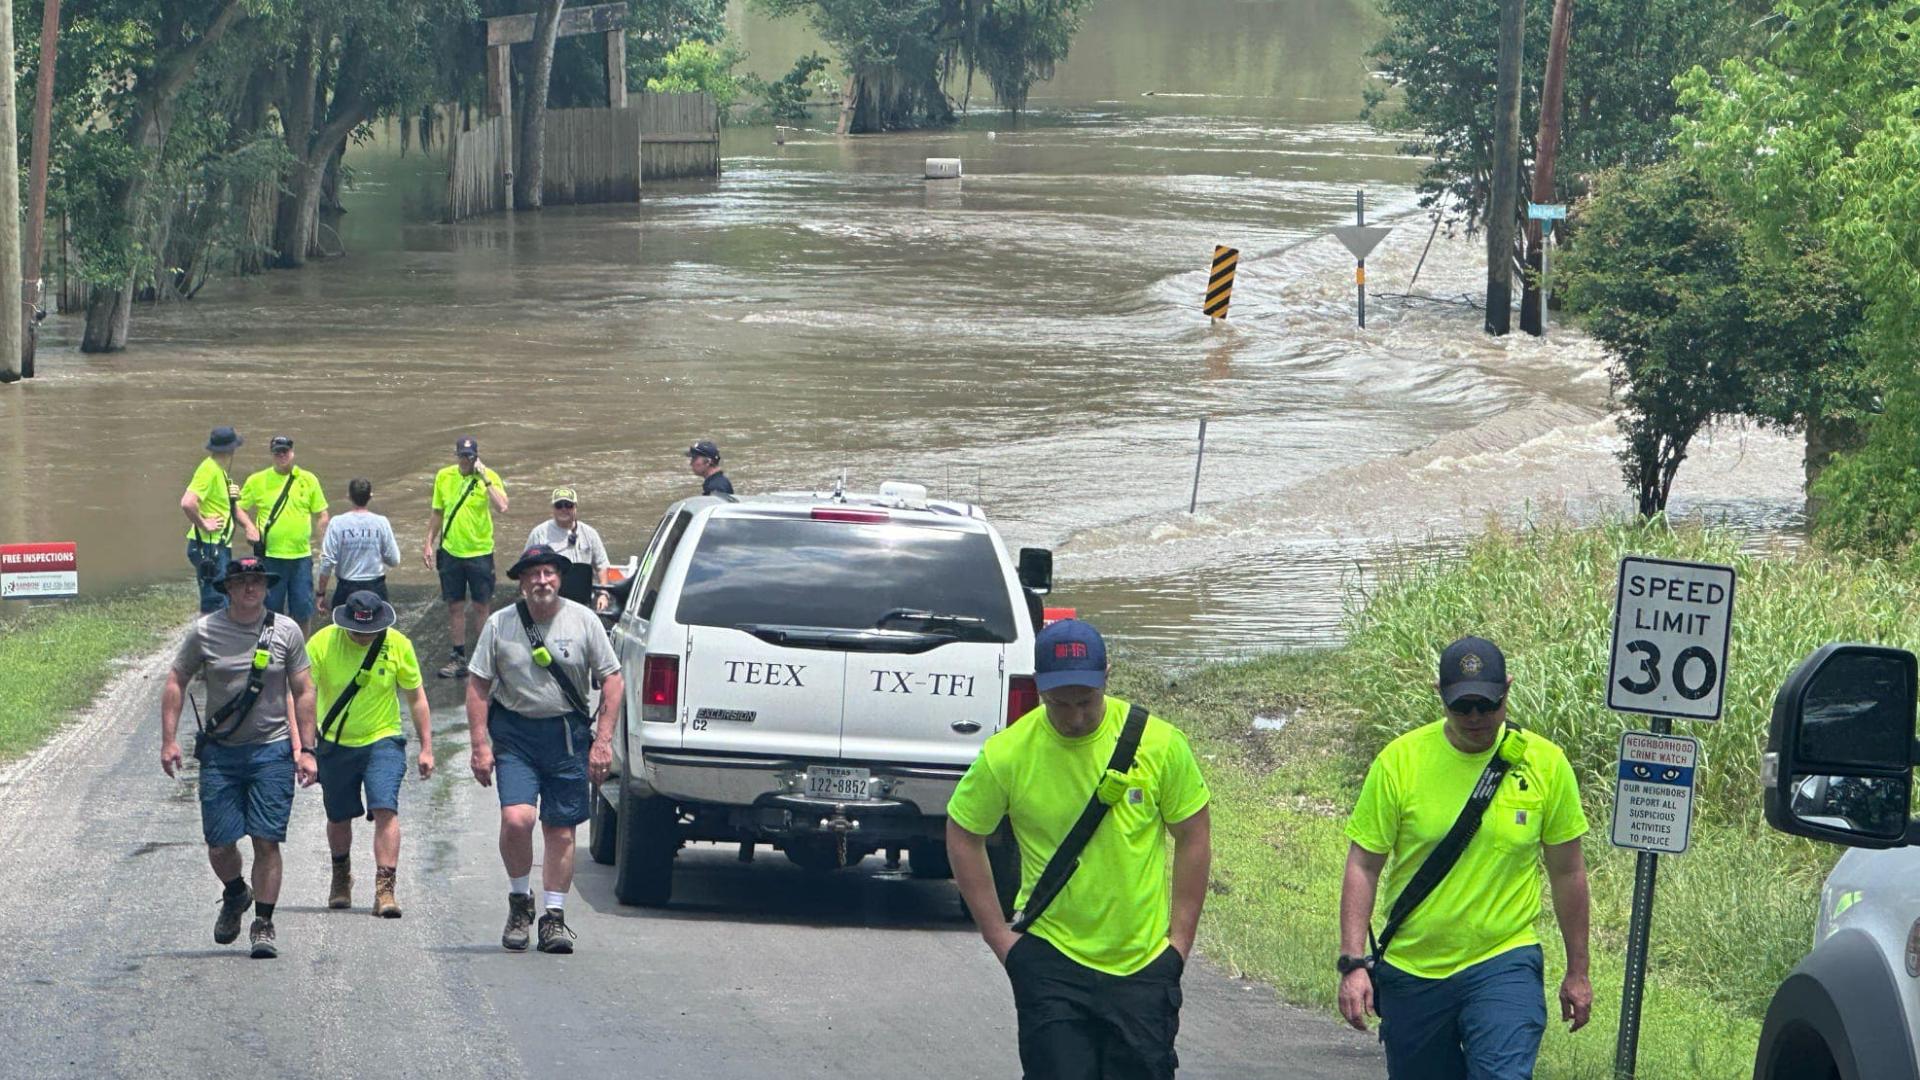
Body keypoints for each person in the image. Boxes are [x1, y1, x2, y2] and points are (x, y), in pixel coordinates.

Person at [948, 619, 1212, 1080]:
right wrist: (999, 937)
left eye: (1085, 702)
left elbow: (1193, 835)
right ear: (1039, 689)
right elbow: (963, 832)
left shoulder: (1161, 744)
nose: (1074, 717)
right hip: (1051, 961)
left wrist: (1179, 943)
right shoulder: (1007, 754)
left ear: (1106, 676)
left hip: (1142, 963)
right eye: (1059, 703)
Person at [1336, 636, 1593, 1079]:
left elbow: (1568, 872)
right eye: (1462, 706)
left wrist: (1578, 971)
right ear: (1440, 695)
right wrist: (1353, 963)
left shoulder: (1545, 764)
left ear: (1507, 689)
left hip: (1503, 961)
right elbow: (1363, 864)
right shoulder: (1399, 762)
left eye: (1487, 705)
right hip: (1414, 971)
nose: (1475, 718)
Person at [465, 544, 624, 954]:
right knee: (517, 819)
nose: (542, 581)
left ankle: (553, 918)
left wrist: (603, 741)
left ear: (560, 578)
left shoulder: (584, 620)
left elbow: (613, 680)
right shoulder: (500, 624)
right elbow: (478, 685)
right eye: (533, 574)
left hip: (567, 735)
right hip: (515, 735)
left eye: (549, 573)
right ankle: (520, 901)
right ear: (521, 582)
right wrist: (480, 745)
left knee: (560, 829)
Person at [158, 557, 318, 960]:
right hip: (221, 754)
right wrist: (169, 740)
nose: (251, 588)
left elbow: (303, 689)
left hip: (272, 750)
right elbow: (176, 680)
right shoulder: (205, 632)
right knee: (219, 843)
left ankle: (263, 923)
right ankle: (235, 893)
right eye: (242, 582)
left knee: (267, 840)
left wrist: (307, 750)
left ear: (266, 587)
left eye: (258, 581)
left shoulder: (286, 632)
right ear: (227, 588)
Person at [306, 590, 434, 917]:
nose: (364, 638)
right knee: (338, 816)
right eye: (358, 631)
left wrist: (427, 748)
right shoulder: (322, 643)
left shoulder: (398, 644)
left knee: (385, 807)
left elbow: (416, 697)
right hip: (335, 742)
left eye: (370, 632)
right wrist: (303, 748)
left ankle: (385, 890)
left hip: (383, 738)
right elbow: (302, 694)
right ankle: (340, 877)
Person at [424, 436, 508, 678]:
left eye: (469, 457)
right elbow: (437, 512)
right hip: (451, 551)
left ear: (476, 457)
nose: (465, 461)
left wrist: (486, 478)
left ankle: (484, 658)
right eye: (462, 456)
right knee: (455, 605)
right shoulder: (444, 476)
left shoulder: (488, 477)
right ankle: (458, 656)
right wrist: (428, 543)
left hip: (480, 552)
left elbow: (502, 506)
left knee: (482, 605)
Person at [238, 434, 329, 625]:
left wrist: (324, 548)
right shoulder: (257, 480)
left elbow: (322, 515)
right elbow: (238, 508)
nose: (281, 455)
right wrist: (249, 527)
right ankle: (271, 651)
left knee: (303, 611)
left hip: (301, 558)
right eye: (277, 452)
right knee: (271, 611)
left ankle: (300, 650)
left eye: (285, 451)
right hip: (270, 557)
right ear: (272, 454)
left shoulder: (308, 479)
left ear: (292, 452)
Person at [180, 426, 256, 614]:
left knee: (222, 596)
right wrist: (204, 523)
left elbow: (222, 505)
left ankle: (214, 637)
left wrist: (247, 524)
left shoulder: (219, 471)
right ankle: (210, 640)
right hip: (209, 546)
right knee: (215, 602)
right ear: (232, 450)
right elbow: (187, 502)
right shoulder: (209, 470)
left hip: (216, 546)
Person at [316, 478, 402, 616]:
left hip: (346, 588)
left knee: (344, 631)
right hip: (375, 587)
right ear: (370, 496)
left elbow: (327, 561)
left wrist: (321, 593)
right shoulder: (381, 522)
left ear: (348, 497)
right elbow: (394, 560)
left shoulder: (337, 523)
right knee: (377, 630)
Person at [525, 486, 610, 604]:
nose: (563, 509)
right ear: (553, 509)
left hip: (582, 599)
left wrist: (603, 594)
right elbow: (526, 567)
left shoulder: (590, 534)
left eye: (568, 505)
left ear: (576, 507)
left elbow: (601, 565)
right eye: (559, 505)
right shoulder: (539, 534)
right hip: (549, 600)